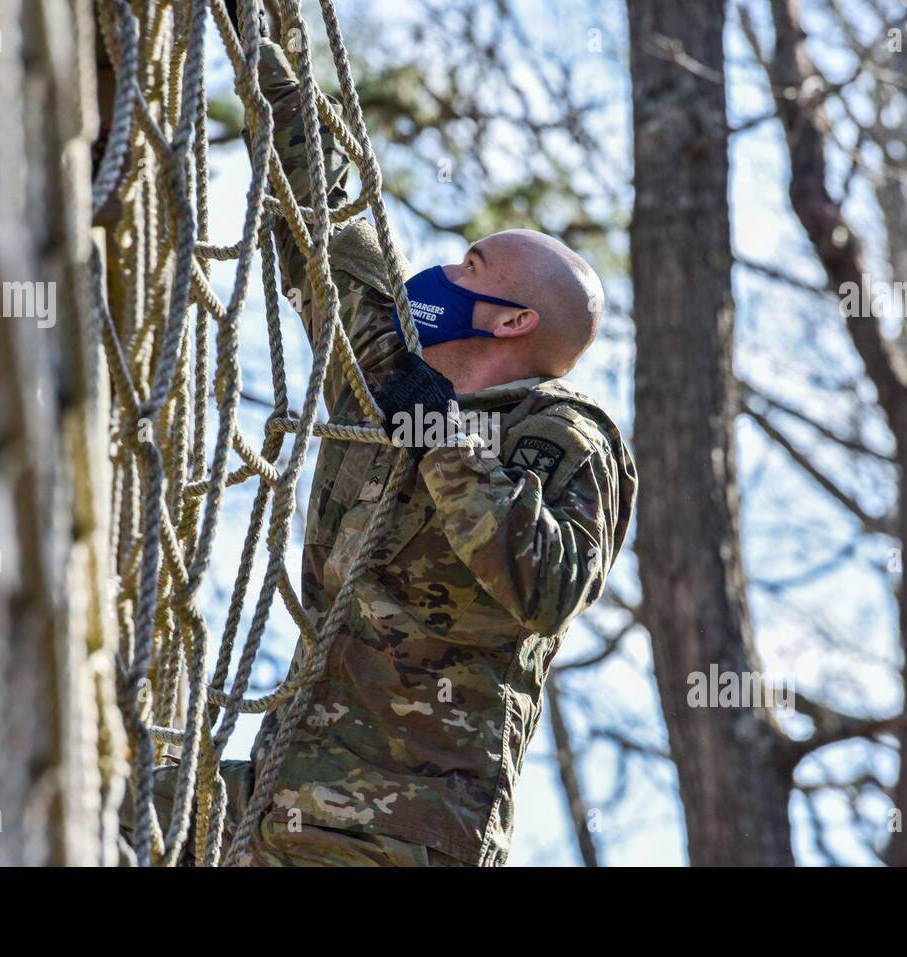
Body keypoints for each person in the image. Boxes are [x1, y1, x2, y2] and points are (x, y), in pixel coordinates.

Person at [133, 20, 636, 867]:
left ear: (514, 321)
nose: (445, 271)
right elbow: (321, 227)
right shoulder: (387, 377)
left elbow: (543, 583)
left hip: (398, 835)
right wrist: (272, 64)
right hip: (281, 797)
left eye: (471, 265)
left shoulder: (564, 433)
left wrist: (442, 435)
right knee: (111, 798)